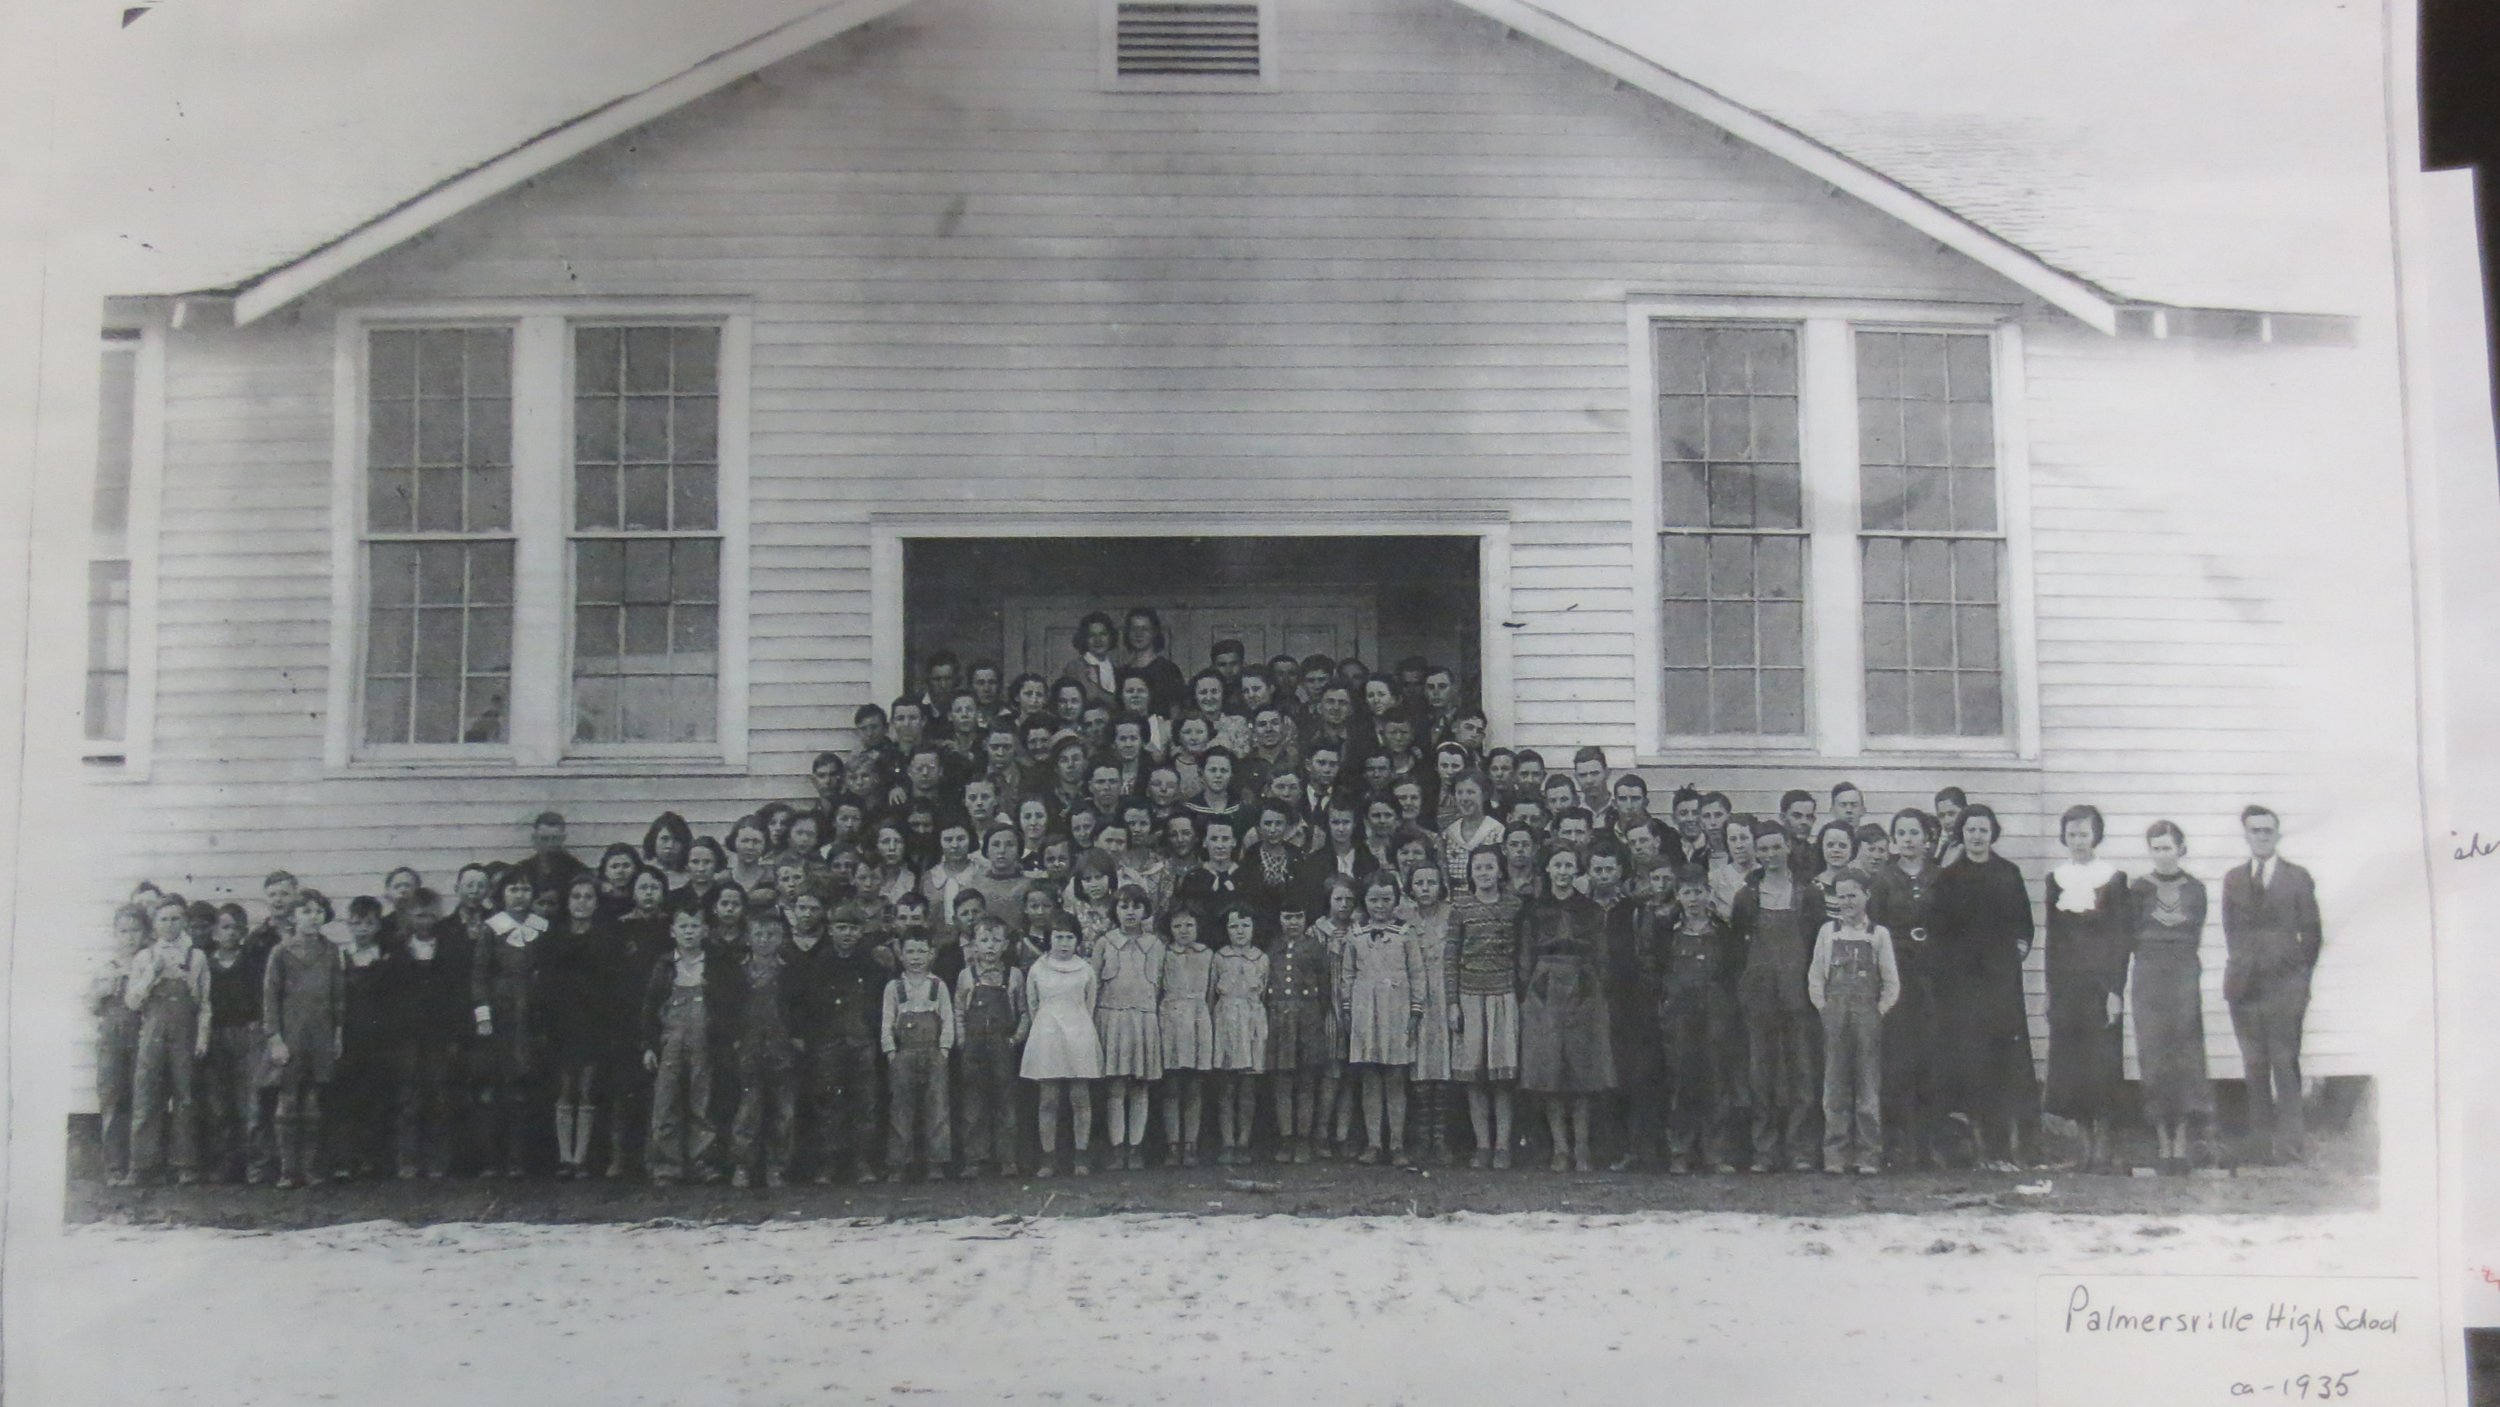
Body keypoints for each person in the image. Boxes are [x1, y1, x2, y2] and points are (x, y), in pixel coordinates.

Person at [1930, 804, 2040, 1171]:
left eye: (1983, 829)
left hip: (2002, 985)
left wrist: (2018, 949)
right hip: (1965, 988)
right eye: (1971, 830)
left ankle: (2006, 1149)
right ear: (1961, 834)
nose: (1977, 836)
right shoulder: (1949, 878)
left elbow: (2024, 924)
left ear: (1993, 833)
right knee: (1972, 1064)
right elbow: (1939, 933)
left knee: (2004, 1065)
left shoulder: (2008, 873)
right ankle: (1977, 1150)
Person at [2221, 805, 2323, 1166]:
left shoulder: (2297, 877)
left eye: (2267, 830)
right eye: (2254, 831)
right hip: (2245, 988)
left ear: (2277, 835)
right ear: (2246, 835)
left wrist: (2298, 981)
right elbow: (2231, 931)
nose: (2261, 836)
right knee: (2254, 1066)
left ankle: (2291, 1148)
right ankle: (2260, 1147)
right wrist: (2242, 971)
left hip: (2284, 989)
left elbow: (2312, 936)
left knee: (2284, 1064)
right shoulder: (2233, 879)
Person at [2043, 803, 2130, 1172]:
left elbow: (2120, 937)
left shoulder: (2113, 878)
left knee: (2101, 1065)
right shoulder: (2055, 879)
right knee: (2073, 1066)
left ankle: (2104, 1150)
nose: (2078, 841)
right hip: (2067, 986)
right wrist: (2050, 990)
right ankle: (2083, 1149)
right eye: (2072, 834)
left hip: (2099, 985)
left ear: (2096, 835)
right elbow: (2053, 939)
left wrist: (2114, 989)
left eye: (2084, 833)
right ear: (2064, 836)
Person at [1733, 820, 1821, 1173]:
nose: (1770, 855)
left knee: (1801, 1074)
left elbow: (1817, 944)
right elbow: (1739, 948)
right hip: (1759, 996)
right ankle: (1764, 1150)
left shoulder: (1807, 893)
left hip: (1798, 994)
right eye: (1763, 849)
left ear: (1788, 847)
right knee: (1761, 1073)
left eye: (1775, 847)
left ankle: (1800, 1149)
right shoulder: (1747, 897)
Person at [1516, 846, 1612, 1172]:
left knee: (1583, 1071)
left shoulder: (1590, 909)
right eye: (1557, 864)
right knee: (1549, 1072)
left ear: (1577, 870)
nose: (1563, 871)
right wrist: (1528, 991)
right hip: (1544, 990)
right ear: (1547, 869)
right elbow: (1525, 955)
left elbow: (1601, 954)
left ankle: (1582, 1147)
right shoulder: (1533, 909)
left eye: (1569, 865)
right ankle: (1560, 1148)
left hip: (1583, 987)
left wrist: (1595, 989)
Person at [1808, 870, 1900, 1176]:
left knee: (1868, 1087)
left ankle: (1868, 1154)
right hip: (1835, 1014)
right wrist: (1824, 1009)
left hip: (1867, 1017)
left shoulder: (1878, 934)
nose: (1847, 902)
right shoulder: (1828, 932)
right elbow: (1816, 978)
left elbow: (1890, 982)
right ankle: (1835, 1155)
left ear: (1866, 897)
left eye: (1853, 895)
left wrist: (1879, 1011)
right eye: (1841, 895)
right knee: (1834, 1087)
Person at [793, 899, 888, 1184]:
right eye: (841, 927)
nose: (847, 934)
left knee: (865, 1103)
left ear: (861, 932)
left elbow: (879, 1004)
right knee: (828, 1103)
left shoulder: (872, 966)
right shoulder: (817, 964)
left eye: (853, 928)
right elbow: (804, 1005)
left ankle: (862, 1163)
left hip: (861, 1042)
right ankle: (828, 1164)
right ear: (831, 930)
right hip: (827, 1043)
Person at [1338, 871, 1427, 1167]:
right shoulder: (1356, 933)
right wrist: (1348, 1008)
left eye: (1386, 899)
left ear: (1396, 900)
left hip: (1397, 1008)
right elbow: (1347, 974)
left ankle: (1397, 1143)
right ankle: (1374, 1142)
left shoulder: (1406, 932)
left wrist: (1416, 1009)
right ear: (1365, 901)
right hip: (1365, 1008)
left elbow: (1417, 972)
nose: (1380, 906)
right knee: (1370, 1076)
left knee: (1395, 1077)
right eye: (1374, 900)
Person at [1869, 810, 1942, 1172]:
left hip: (1932, 978)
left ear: (1926, 838)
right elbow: (1876, 930)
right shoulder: (1884, 879)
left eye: (1915, 832)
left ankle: (1927, 1144)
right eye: (1902, 833)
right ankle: (1897, 1145)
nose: (1909, 839)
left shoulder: (1939, 876)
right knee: (1897, 1060)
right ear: (1895, 840)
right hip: (1897, 977)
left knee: (1930, 1058)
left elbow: (1950, 924)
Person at [125, 893, 212, 1185]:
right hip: (153, 1032)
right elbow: (133, 1002)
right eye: (164, 919)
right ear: (155, 922)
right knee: (147, 1096)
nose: (170, 925)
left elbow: (204, 1004)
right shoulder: (144, 957)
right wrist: (153, 973)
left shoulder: (196, 957)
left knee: (185, 1097)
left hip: (184, 1034)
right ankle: (142, 1166)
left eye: (176, 919)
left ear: (185, 921)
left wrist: (202, 1038)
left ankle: (185, 1164)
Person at [261, 889, 345, 1190]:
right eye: (306, 911)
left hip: (319, 1036)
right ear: (294, 917)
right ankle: (287, 1169)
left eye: (318, 911)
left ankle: (310, 1168)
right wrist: (275, 1039)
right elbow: (270, 999)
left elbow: (338, 998)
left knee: (312, 1102)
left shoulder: (331, 951)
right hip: (291, 1036)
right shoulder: (281, 952)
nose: (313, 917)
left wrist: (337, 1034)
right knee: (287, 1101)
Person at [1658, 867, 1740, 1175]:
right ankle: (1680, 1151)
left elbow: (1733, 972)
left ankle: (1714, 1153)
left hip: (1715, 1016)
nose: (1694, 899)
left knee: (1716, 1082)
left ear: (1709, 893)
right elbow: (1658, 971)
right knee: (1681, 1083)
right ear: (1678, 895)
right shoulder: (1668, 931)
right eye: (1687, 892)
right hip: (1679, 1017)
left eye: (1699, 891)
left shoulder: (1722, 932)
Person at [471, 873, 552, 1179]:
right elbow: (479, 975)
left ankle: (521, 1160)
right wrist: (484, 1016)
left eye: (525, 888)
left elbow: (547, 972)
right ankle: (491, 1161)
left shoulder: (541, 928)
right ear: (502, 894)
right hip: (500, 1016)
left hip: (530, 1016)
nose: (519, 894)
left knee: (525, 1088)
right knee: (494, 1088)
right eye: (513, 889)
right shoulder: (492, 929)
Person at [1448, 845, 1521, 1168]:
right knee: (1474, 1078)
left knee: (1502, 1077)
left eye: (1490, 866)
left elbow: (1520, 954)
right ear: (1470, 872)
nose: (1484, 872)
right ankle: (1482, 1145)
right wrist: (1453, 1003)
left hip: (1503, 995)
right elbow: (1451, 959)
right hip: (1469, 995)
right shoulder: (1460, 908)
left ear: (1500, 870)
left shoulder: (1513, 906)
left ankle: (1503, 1145)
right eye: (1478, 867)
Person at [643, 903, 726, 1186]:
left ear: (705, 931)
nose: (689, 932)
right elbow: (650, 1009)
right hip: (670, 1044)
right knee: (666, 1102)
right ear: (673, 931)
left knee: (701, 1102)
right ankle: (666, 1166)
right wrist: (649, 1046)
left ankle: (702, 1163)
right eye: (683, 926)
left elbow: (725, 1007)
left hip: (703, 1043)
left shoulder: (713, 964)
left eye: (694, 926)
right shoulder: (665, 966)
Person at [1588, 841, 1659, 1170]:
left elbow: (1644, 955)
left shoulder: (1633, 910)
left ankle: (1635, 1148)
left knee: (1632, 1073)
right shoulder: (1583, 909)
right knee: (1598, 1074)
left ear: (1621, 871)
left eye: (1610, 869)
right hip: (1589, 1001)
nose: (1604, 876)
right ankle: (1602, 1149)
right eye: (1597, 869)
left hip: (1628, 1001)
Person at [1020, 911, 1102, 1177]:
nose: (1064, 943)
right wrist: (1046, 1026)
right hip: (1047, 1034)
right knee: (1049, 1099)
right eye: (1058, 937)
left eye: (1069, 937)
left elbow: (1090, 1004)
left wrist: (1077, 1026)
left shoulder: (1085, 969)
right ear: (1049, 939)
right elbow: (1032, 1004)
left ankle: (1081, 1156)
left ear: (1077, 940)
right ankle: (1048, 1158)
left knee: (1080, 1097)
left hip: (1079, 1033)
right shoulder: (1037, 969)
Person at [540, 875, 609, 1179]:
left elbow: (611, 983)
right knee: (565, 1088)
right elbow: (546, 982)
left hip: (594, 1021)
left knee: (587, 1088)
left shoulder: (607, 936)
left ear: (596, 902)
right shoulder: (553, 937)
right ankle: (563, 1157)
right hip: (562, 1021)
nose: (582, 903)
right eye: (576, 897)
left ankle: (581, 1157)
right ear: (567, 903)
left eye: (588, 897)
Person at [1092, 890, 1167, 1171]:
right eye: (1124, 906)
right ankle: (1116, 1146)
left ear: (1145, 910)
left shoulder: (1155, 945)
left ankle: (1135, 1146)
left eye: (1137, 906)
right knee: (1116, 1085)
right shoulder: (1105, 943)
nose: (1131, 912)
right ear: (1116, 910)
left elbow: (1160, 987)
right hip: (1112, 1019)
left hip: (1143, 1020)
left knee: (1140, 1086)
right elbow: (1094, 985)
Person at [200, 903, 270, 1184]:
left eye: (236, 928)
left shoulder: (251, 961)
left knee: (251, 1102)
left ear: (243, 932)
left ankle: (256, 1165)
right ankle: (226, 1164)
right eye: (225, 927)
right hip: (216, 1036)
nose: (230, 933)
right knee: (220, 1104)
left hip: (247, 1035)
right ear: (215, 931)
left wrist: (257, 1022)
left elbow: (262, 996)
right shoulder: (205, 962)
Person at [952, 917, 1026, 1179]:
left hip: (1002, 1049)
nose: (990, 946)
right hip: (973, 1049)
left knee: (1005, 1103)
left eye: (996, 940)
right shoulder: (966, 975)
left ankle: (1007, 1159)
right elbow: (959, 1011)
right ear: (974, 945)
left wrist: (1015, 1039)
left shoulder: (1014, 975)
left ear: (1006, 944)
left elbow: (1024, 1013)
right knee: (973, 1104)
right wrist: (962, 1040)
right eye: (984, 940)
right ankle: (975, 1159)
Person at [1265, 897, 1334, 1164]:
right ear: (1279, 920)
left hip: (1308, 1018)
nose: (1292, 923)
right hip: (1280, 1019)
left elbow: (1325, 989)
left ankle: (1304, 1139)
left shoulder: (1315, 948)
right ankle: (1286, 1138)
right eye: (1287, 917)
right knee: (1283, 1082)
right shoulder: (1273, 948)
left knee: (1306, 1081)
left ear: (1305, 920)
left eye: (1298, 917)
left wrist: (1314, 1015)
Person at [1401, 862, 1459, 1166]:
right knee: (1418, 1064)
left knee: (1444, 1062)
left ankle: (1441, 1138)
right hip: (1414, 993)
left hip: (1445, 991)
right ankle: (1422, 1139)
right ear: (1410, 887)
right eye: (1419, 883)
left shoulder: (1452, 915)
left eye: (1431, 883)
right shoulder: (1402, 917)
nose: (1425, 889)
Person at [91, 903, 150, 1186]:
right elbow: (92, 1006)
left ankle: (140, 1167)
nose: (129, 937)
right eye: (123, 931)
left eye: (135, 931)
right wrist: (102, 991)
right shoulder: (107, 968)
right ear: (115, 934)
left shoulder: (150, 965)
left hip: (142, 1037)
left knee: (142, 1101)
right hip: (112, 1041)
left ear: (146, 933)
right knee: (113, 1101)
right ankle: (115, 1166)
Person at [1156, 907, 1219, 1167]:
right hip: (1171, 1018)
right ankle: (1172, 1144)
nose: (1183, 931)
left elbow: (1212, 992)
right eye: (1178, 926)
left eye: (1189, 925)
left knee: (1194, 1084)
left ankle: (1191, 1144)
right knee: (1171, 1085)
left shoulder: (1208, 955)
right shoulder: (1164, 954)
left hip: (1198, 1019)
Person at [1209, 903, 1270, 1166]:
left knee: (1247, 1085)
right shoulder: (1219, 957)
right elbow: (1211, 994)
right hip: (1225, 1020)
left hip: (1251, 1021)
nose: (1240, 931)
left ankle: (1244, 1140)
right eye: (1234, 926)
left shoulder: (1262, 958)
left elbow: (1264, 993)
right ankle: (1227, 1141)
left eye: (1245, 925)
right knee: (1226, 1085)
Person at [512, 811, 591, 900]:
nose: (550, 844)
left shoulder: (578, 870)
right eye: (544, 839)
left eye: (555, 839)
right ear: (534, 839)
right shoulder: (522, 870)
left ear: (563, 839)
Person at [1062, 611, 1123, 710]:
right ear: (1084, 639)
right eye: (1092, 635)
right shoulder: (1075, 668)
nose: (1098, 640)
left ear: (1111, 637)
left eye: (1103, 634)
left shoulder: (1117, 670)